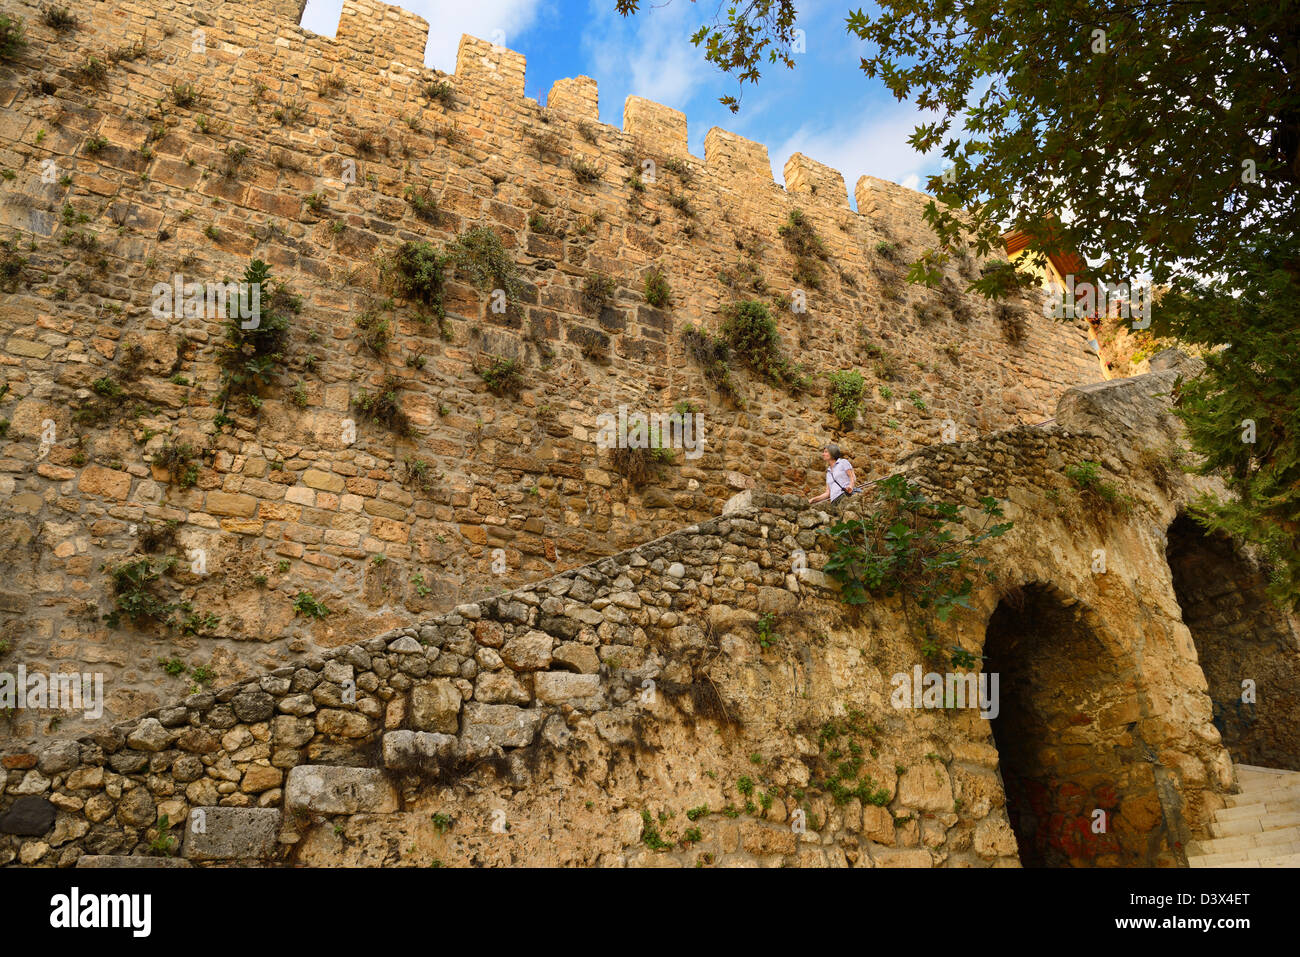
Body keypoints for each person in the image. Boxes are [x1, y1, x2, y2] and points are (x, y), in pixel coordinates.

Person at [808, 443, 857, 507]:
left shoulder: (843, 462)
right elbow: (827, 493)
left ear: (832, 453)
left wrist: (850, 487)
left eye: (826, 452)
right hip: (834, 502)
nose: (823, 454)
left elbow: (852, 477)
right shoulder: (828, 472)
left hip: (845, 497)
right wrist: (813, 499)